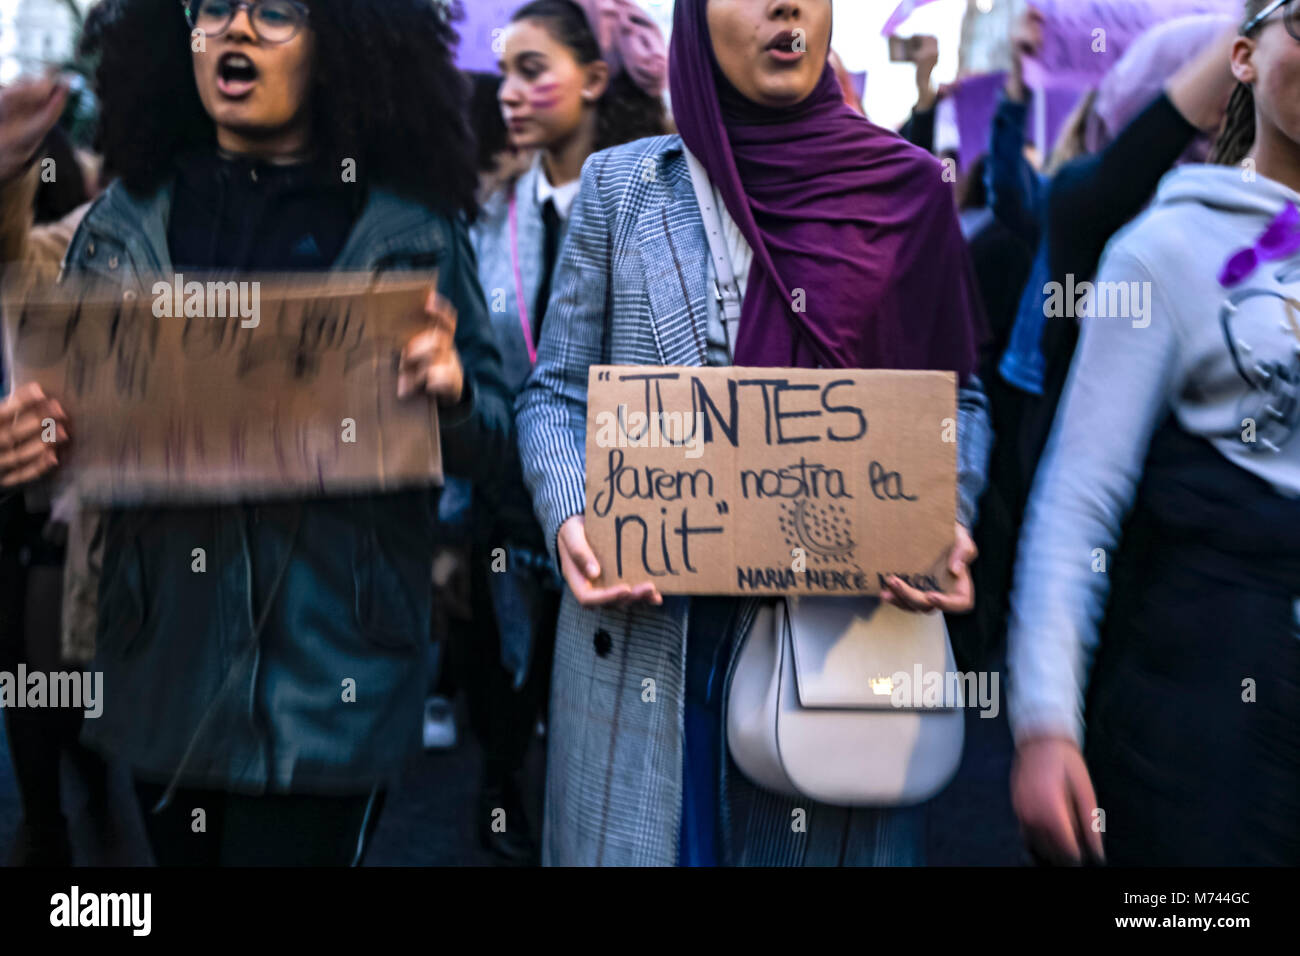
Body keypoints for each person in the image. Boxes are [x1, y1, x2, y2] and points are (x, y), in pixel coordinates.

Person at [0, 0, 511, 866]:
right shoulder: (122, 222)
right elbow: (67, 451)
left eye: (275, 12)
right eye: (211, 9)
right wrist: (31, 451)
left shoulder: (413, 229)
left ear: (344, 45)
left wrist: (454, 398)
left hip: (334, 691)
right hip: (164, 678)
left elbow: (500, 446)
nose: (234, 31)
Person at [516, 0, 992, 867]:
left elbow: (957, 401)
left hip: (842, 653)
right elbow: (554, 393)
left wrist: (940, 514)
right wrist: (570, 514)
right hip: (648, 659)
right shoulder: (624, 189)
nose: (785, 6)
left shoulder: (910, 188)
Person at [1007, 0, 1300, 866]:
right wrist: (1045, 721)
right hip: (1201, 729)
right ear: (1241, 58)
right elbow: (1078, 503)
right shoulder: (1163, 250)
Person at [459, 0, 668, 864]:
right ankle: (501, 795)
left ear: (593, 78)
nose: (510, 93)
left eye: (533, 70)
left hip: (617, 504)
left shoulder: (654, 210)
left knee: (592, 694)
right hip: (506, 499)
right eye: (504, 72)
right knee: (501, 678)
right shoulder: (492, 215)